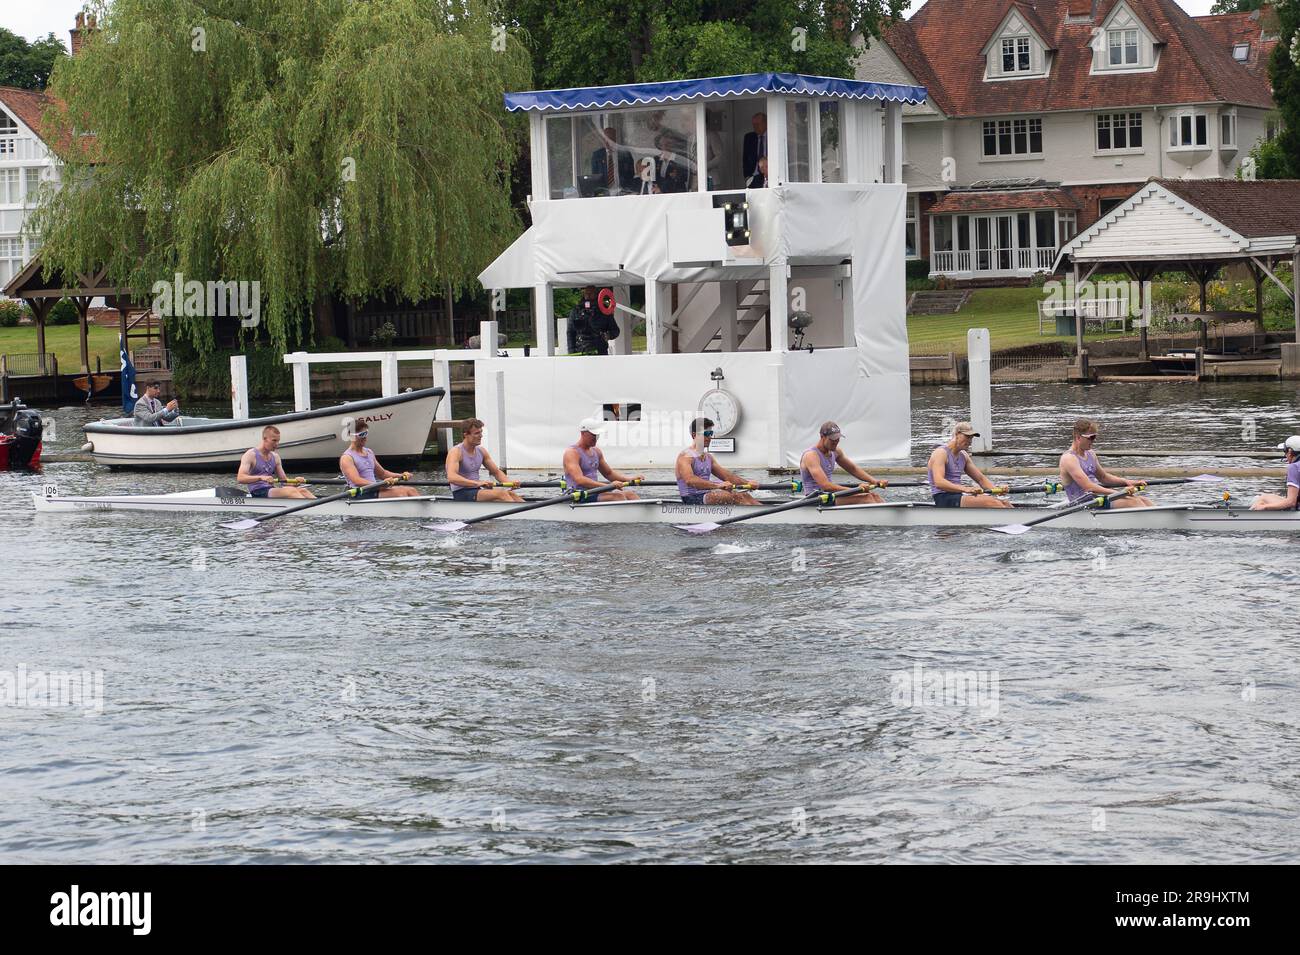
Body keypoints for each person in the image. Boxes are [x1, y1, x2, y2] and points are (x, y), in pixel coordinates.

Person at [1059, 417, 1153, 508]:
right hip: (1083, 503)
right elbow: (1088, 487)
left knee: (1145, 500)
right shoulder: (1069, 459)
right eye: (1091, 437)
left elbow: (1104, 477)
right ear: (1078, 438)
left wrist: (1128, 482)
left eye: (1095, 437)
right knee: (1134, 502)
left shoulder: (1091, 454)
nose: (1093, 441)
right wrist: (1120, 493)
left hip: (1097, 498)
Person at [675, 417, 759, 505]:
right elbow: (690, 480)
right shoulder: (685, 456)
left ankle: (767, 516)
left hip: (706, 495)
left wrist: (748, 482)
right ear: (694, 435)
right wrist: (718, 485)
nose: (709, 437)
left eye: (711, 433)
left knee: (745, 495)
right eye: (706, 433)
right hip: (691, 498)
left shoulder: (708, 457)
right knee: (736, 496)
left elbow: (727, 476)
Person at [927, 421, 1012, 508]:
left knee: (1005, 503)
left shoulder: (963, 455)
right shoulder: (940, 453)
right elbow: (939, 483)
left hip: (958, 496)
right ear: (957, 434)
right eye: (967, 437)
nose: (970, 441)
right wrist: (966, 489)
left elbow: (981, 479)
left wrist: (997, 490)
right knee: (992, 503)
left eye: (971, 438)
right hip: (943, 498)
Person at [799, 421, 886, 505]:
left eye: (838, 438)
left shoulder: (836, 451)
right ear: (822, 437)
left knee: (874, 496)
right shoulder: (811, 456)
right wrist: (858, 490)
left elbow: (853, 469)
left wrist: (874, 481)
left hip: (830, 495)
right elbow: (826, 486)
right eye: (832, 439)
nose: (836, 442)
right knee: (867, 498)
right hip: (815, 498)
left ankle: (889, 514)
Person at [563, 418, 643, 501]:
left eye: (597, 435)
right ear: (583, 433)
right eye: (593, 435)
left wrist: (629, 479)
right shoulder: (572, 453)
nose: (596, 438)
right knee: (618, 497)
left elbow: (609, 473)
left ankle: (640, 512)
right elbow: (579, 480)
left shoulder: (596, 451)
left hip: (594, 492)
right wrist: (609, 486)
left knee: (630, 494)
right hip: (578, 495)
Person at [446, 418, 523, 503]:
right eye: (477, 433)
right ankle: (517, 515)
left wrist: (510, 483)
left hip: (477, 490)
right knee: (502, 494)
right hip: (461, 492)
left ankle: (530, 514)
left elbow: (496, 472)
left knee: (511, 494)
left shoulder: (481, 451)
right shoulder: (456, 452)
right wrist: (476, 483)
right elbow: (451, 477)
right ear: (466, 435)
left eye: (481, 432)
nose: (481, 436)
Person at [339, 425, 418, 497]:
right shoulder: (347, 458)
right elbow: (357, 481)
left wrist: (400, 475)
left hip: (373, 489)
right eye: (362, 434)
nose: (365, 437)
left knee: (411, 490)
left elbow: (382, 473)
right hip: (358, 493)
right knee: (402, 493)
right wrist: (380, 485)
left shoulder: (369, 452)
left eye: (366, 433)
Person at [236, 426, 314, 499]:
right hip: (257, 491)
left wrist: (296, 481)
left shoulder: (275, 457)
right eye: (274, 440)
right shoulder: (250, 455)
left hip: (270, 490)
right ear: (265, 439)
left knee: (303, 490)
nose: (276, 444)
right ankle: (310, 510)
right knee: (291, 491)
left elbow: (284, 481)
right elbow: (240, 478)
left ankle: (321, 509)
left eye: (278, 441)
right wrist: (261, 477)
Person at [566, 286, 620, 355]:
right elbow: (570, 332)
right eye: (586, 293)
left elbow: (615, 331)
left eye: (591, 293)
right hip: (581, 351)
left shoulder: (604, 311)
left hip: (600, 350)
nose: (588, 295)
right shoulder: (576, 311)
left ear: (597, 294)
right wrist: (571, 351)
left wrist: (607, 335)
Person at [1250, 436, 1300, 510]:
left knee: (1262, 499)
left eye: (1284, 451)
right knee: (1263, 497)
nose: (1285, 455)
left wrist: (1265, 507)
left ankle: (1241, 518)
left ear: (1289, 452)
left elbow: (1291, 502)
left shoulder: (1294, 467)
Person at [591, 127, 636, 195]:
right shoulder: (597, 155)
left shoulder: (625, 154)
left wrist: (626, 187)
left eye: (611, 139)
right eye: (606, 139)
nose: (608, 142)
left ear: (615, 139)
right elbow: (595, 175)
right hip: (604, 193)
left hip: (623, 191)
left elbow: (631, 173)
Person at [742, 112, 767, 182]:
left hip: (770, 174)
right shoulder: (749, 137)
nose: (755, 127)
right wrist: (746, 176)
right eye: (754, 125)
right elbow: (745, 159)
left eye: (758, 124)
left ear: (765, 123)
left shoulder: (773, 135)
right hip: (754, 175)